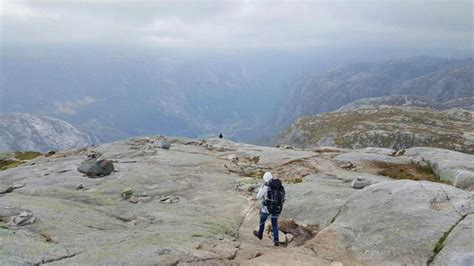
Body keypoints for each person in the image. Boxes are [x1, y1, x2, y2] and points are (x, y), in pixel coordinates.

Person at [253, 172, 285, 246]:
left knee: (262, 221)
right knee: (274, 224)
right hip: (277, 208)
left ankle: (260, 234)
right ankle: (276, 240)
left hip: (267, 208)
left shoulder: (265, 186)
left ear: (265, 179)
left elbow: (258, 196)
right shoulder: (279, 185)